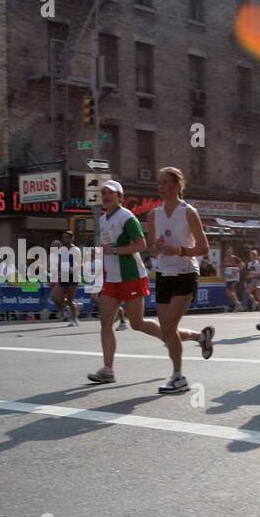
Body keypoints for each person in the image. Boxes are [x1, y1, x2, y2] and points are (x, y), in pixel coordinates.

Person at [87, 178, 212, 385]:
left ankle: (195, 337)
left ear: (120, 197)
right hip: (112, 276)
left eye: (110, 193)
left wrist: (116, 250)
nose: (106, 196)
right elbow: (147, 248)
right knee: (105, 321)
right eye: (103, 193)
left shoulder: (127, 217)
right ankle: (108, 370)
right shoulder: (102, 220)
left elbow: (141, 245)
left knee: (138, 323)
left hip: (132, 276)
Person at [144, 167, 217, 393]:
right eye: (159, 183)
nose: (161, 187)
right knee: (167, 330)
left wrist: (180, 251)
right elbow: (150, 249)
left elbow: (204, 247)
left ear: (177, 185)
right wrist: (155, 247)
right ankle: (200, 337)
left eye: (165, 182)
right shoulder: (153, 214)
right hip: (164, 274)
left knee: (168, 328)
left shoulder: (188, 212)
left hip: (186, 274)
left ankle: (178, 377)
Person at [50, 231, 83, 326]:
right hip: (63, 276)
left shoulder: (76, 250)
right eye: (63, 237)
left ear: (72, 238)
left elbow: (78, 264)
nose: (64, 239)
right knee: (55, 297)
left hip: (73, 277)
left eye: (66, 237)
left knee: (69, 299)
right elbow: (59, 262)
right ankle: (70, 308)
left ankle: (75, 318)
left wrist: (71, 269)